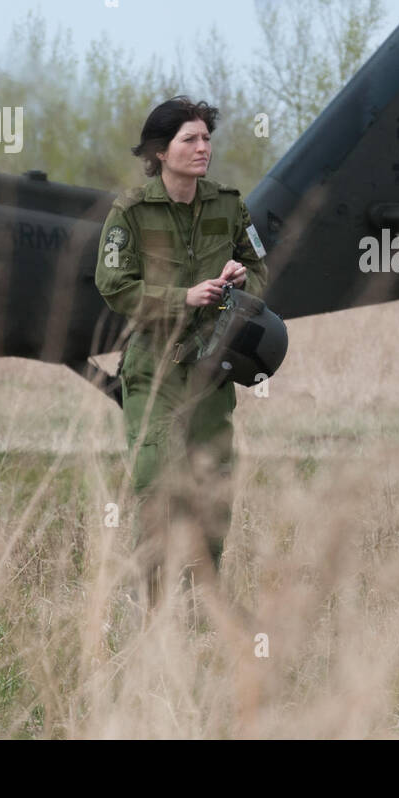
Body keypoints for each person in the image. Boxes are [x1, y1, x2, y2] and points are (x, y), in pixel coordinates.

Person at [95, 96, 268, 605]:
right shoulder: (130, 212)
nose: (202, 148)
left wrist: (240, 281)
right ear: (159, 152)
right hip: (153, 369)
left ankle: (201, 601)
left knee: (212, 487)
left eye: (206, 138)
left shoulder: (229, 206)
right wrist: (182, 298)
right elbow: (113, 285)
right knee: (155, 483)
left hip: (211, 368)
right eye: (189, 139)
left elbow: (259, 266)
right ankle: (147, 601)